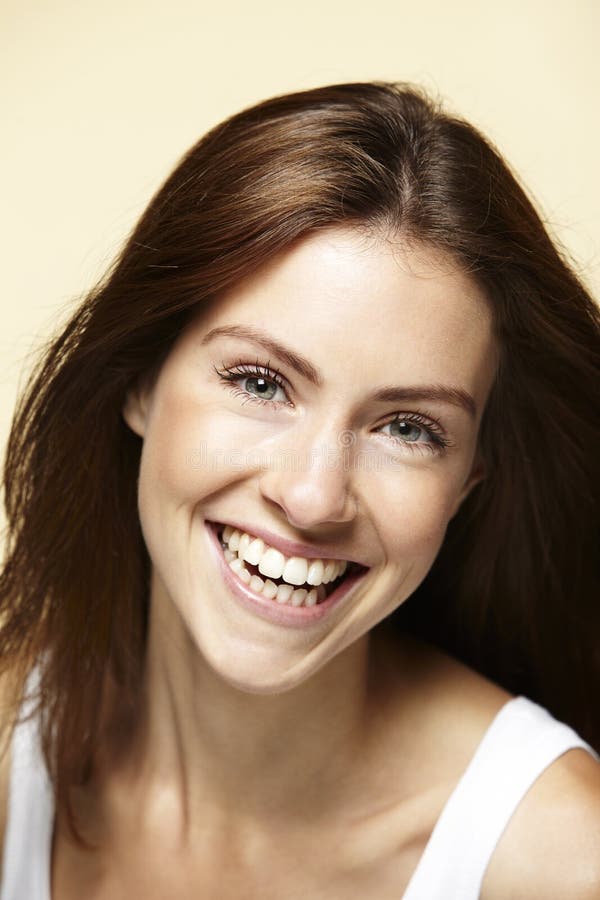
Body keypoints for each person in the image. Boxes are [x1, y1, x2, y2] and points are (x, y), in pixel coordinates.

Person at [0, 81, 598, 899]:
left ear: (467, 484)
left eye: (409, 429)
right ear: (138, 380)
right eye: (259, 382)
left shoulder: (559, 857)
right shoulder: (9, 744)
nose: (315, 497)